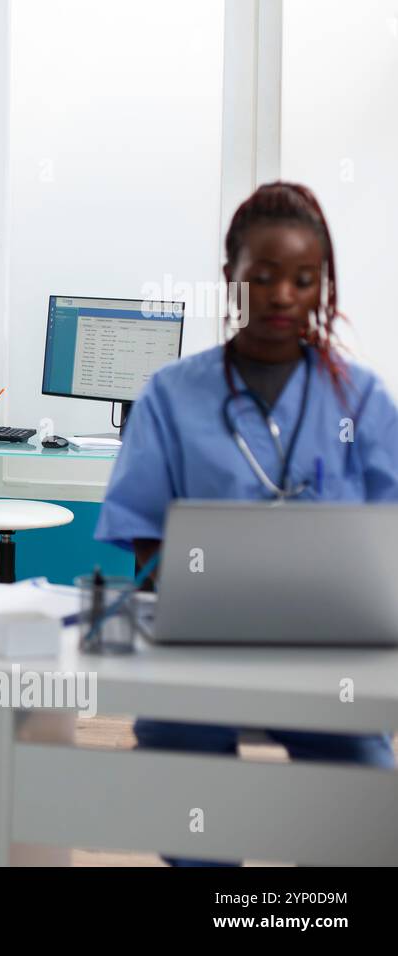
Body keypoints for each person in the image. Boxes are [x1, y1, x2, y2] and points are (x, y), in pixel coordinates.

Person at [96, 181, 398, 865]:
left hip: (332, 660)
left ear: (324, 286)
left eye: (303, 279)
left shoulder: (366, 400)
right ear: (229, 279)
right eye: (261, 277)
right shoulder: (171, 396)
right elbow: (146, 541)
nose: (282, 295)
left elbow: (390, 545)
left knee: (363, 814)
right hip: (200, 652)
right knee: (192, 815)